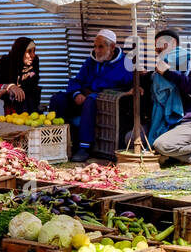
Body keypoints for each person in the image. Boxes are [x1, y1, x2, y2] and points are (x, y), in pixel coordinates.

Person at [49, 29, 134, 162]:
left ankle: (84, 147)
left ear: (112, 47)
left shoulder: (125, 63)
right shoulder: (91, 62)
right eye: (95, 46)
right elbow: (76, 80)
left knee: (90, 99)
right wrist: (77, 93)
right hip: (84, 97)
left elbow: (129, 84)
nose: (96, 50)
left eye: (100, 46)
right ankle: (56, 142)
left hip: (104, 101)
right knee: (57, 99)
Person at [148, 27, 191, 165]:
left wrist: (168, 72)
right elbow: (162, 94)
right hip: (172, 124)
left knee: (161, 145)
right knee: (130, 137)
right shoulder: (162, 68)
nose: (157, 51)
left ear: (173, 43)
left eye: (160, 46)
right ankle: (188, 156)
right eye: (156, 49)